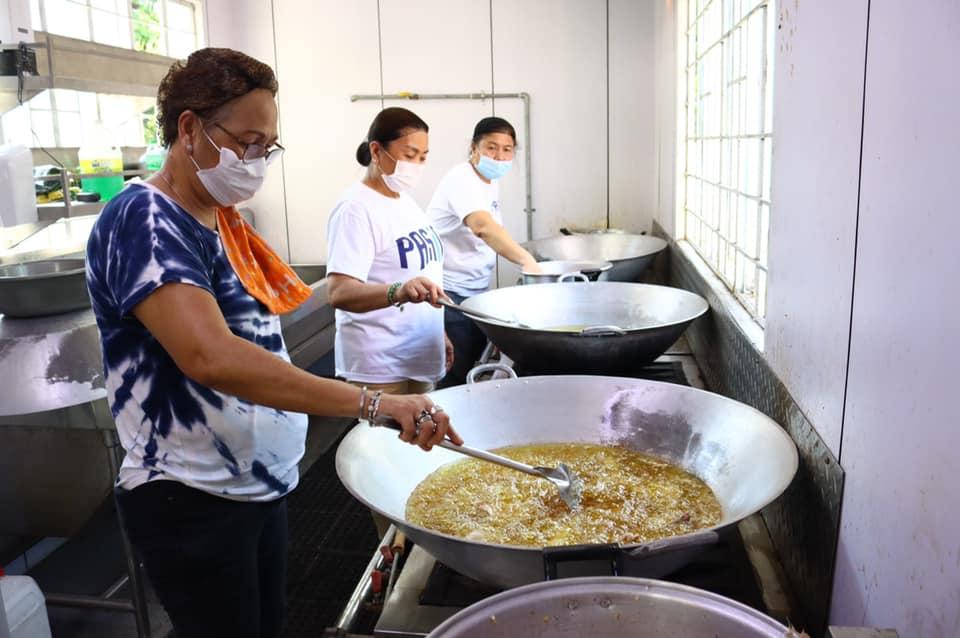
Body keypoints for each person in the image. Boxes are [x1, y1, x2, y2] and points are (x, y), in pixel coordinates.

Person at [85, 49, 460, 638]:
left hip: (257, 483)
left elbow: (262, 321)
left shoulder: (224, 219)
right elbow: (211, 355)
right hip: (193, 495)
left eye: (269, 146)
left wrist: (395, 296)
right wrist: (373, 402)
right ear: (190, 129)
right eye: (249, 142)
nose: (258, 160)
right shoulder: (145, 219)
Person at [326, 107, 451, 396]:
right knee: (385, 441)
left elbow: (422, 272)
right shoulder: (355, 209)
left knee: (421, 440)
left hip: (419, 350)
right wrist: (399, 291)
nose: (417, 165)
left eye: (423, 157)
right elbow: (339, 293)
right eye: (409, 155)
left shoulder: (404, 201)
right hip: (380, 360)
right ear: (376, 150)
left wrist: (437, 332)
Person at [427, 117, 540, 386]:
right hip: (449, 293)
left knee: (470, 367)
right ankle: (445, 425)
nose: (499, 156)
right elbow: (483, 227)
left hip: (473, 290)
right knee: (457, 374)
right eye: (491, 147)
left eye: (507, 148)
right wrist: (528, 261)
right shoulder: (461, 179)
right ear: (474, 147)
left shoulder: (487, 181)